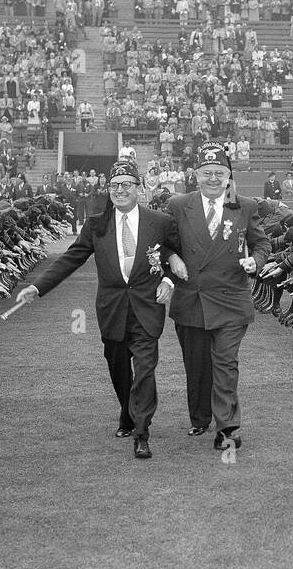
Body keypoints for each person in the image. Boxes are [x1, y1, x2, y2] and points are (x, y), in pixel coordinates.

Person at [15, 158, 179, 459]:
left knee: (145, 369)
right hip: (112, 309)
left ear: (138, 188)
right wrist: (38, 287)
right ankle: (127, 414)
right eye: (115, 185)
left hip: (147, 308)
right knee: (118, 368)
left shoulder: (160, 222)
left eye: (126, 185)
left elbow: (176, 252)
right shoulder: (96, 224)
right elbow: (71, 258)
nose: (120, 190)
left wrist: (168, 279)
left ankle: (142, 432)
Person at [164, 142, 270, 449]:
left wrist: (257, 261)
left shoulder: (245, 205)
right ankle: (200, 419)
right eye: (207, 172)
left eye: (220, 173)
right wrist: (172, 257)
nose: (213, 178)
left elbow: (261, 244)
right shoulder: (178, 204)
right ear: (196, 175)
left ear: (229, 176)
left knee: (225, 362)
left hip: (231, 299)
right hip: (191, 299)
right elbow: (162, 242)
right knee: (197, 365)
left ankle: (228, 427)